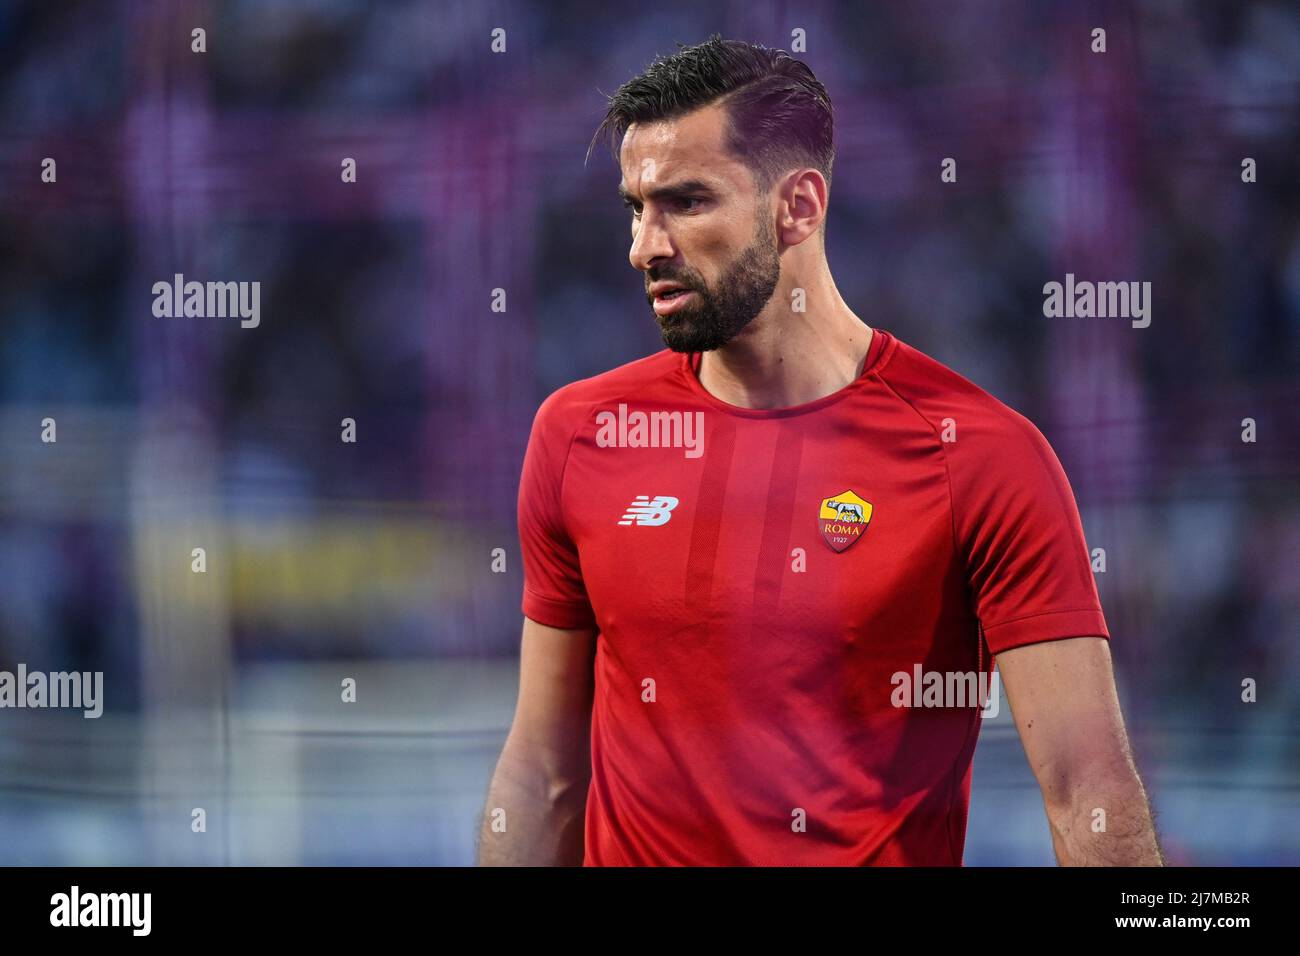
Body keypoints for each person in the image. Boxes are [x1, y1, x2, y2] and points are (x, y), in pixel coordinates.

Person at [477, 35, 1163, 866]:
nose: (644, 246)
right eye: (635, 206)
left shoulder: (981, 457)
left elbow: (1089, 791)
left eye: (686, 203)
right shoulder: (579, 433)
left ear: (798, 206)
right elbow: (544, 769)